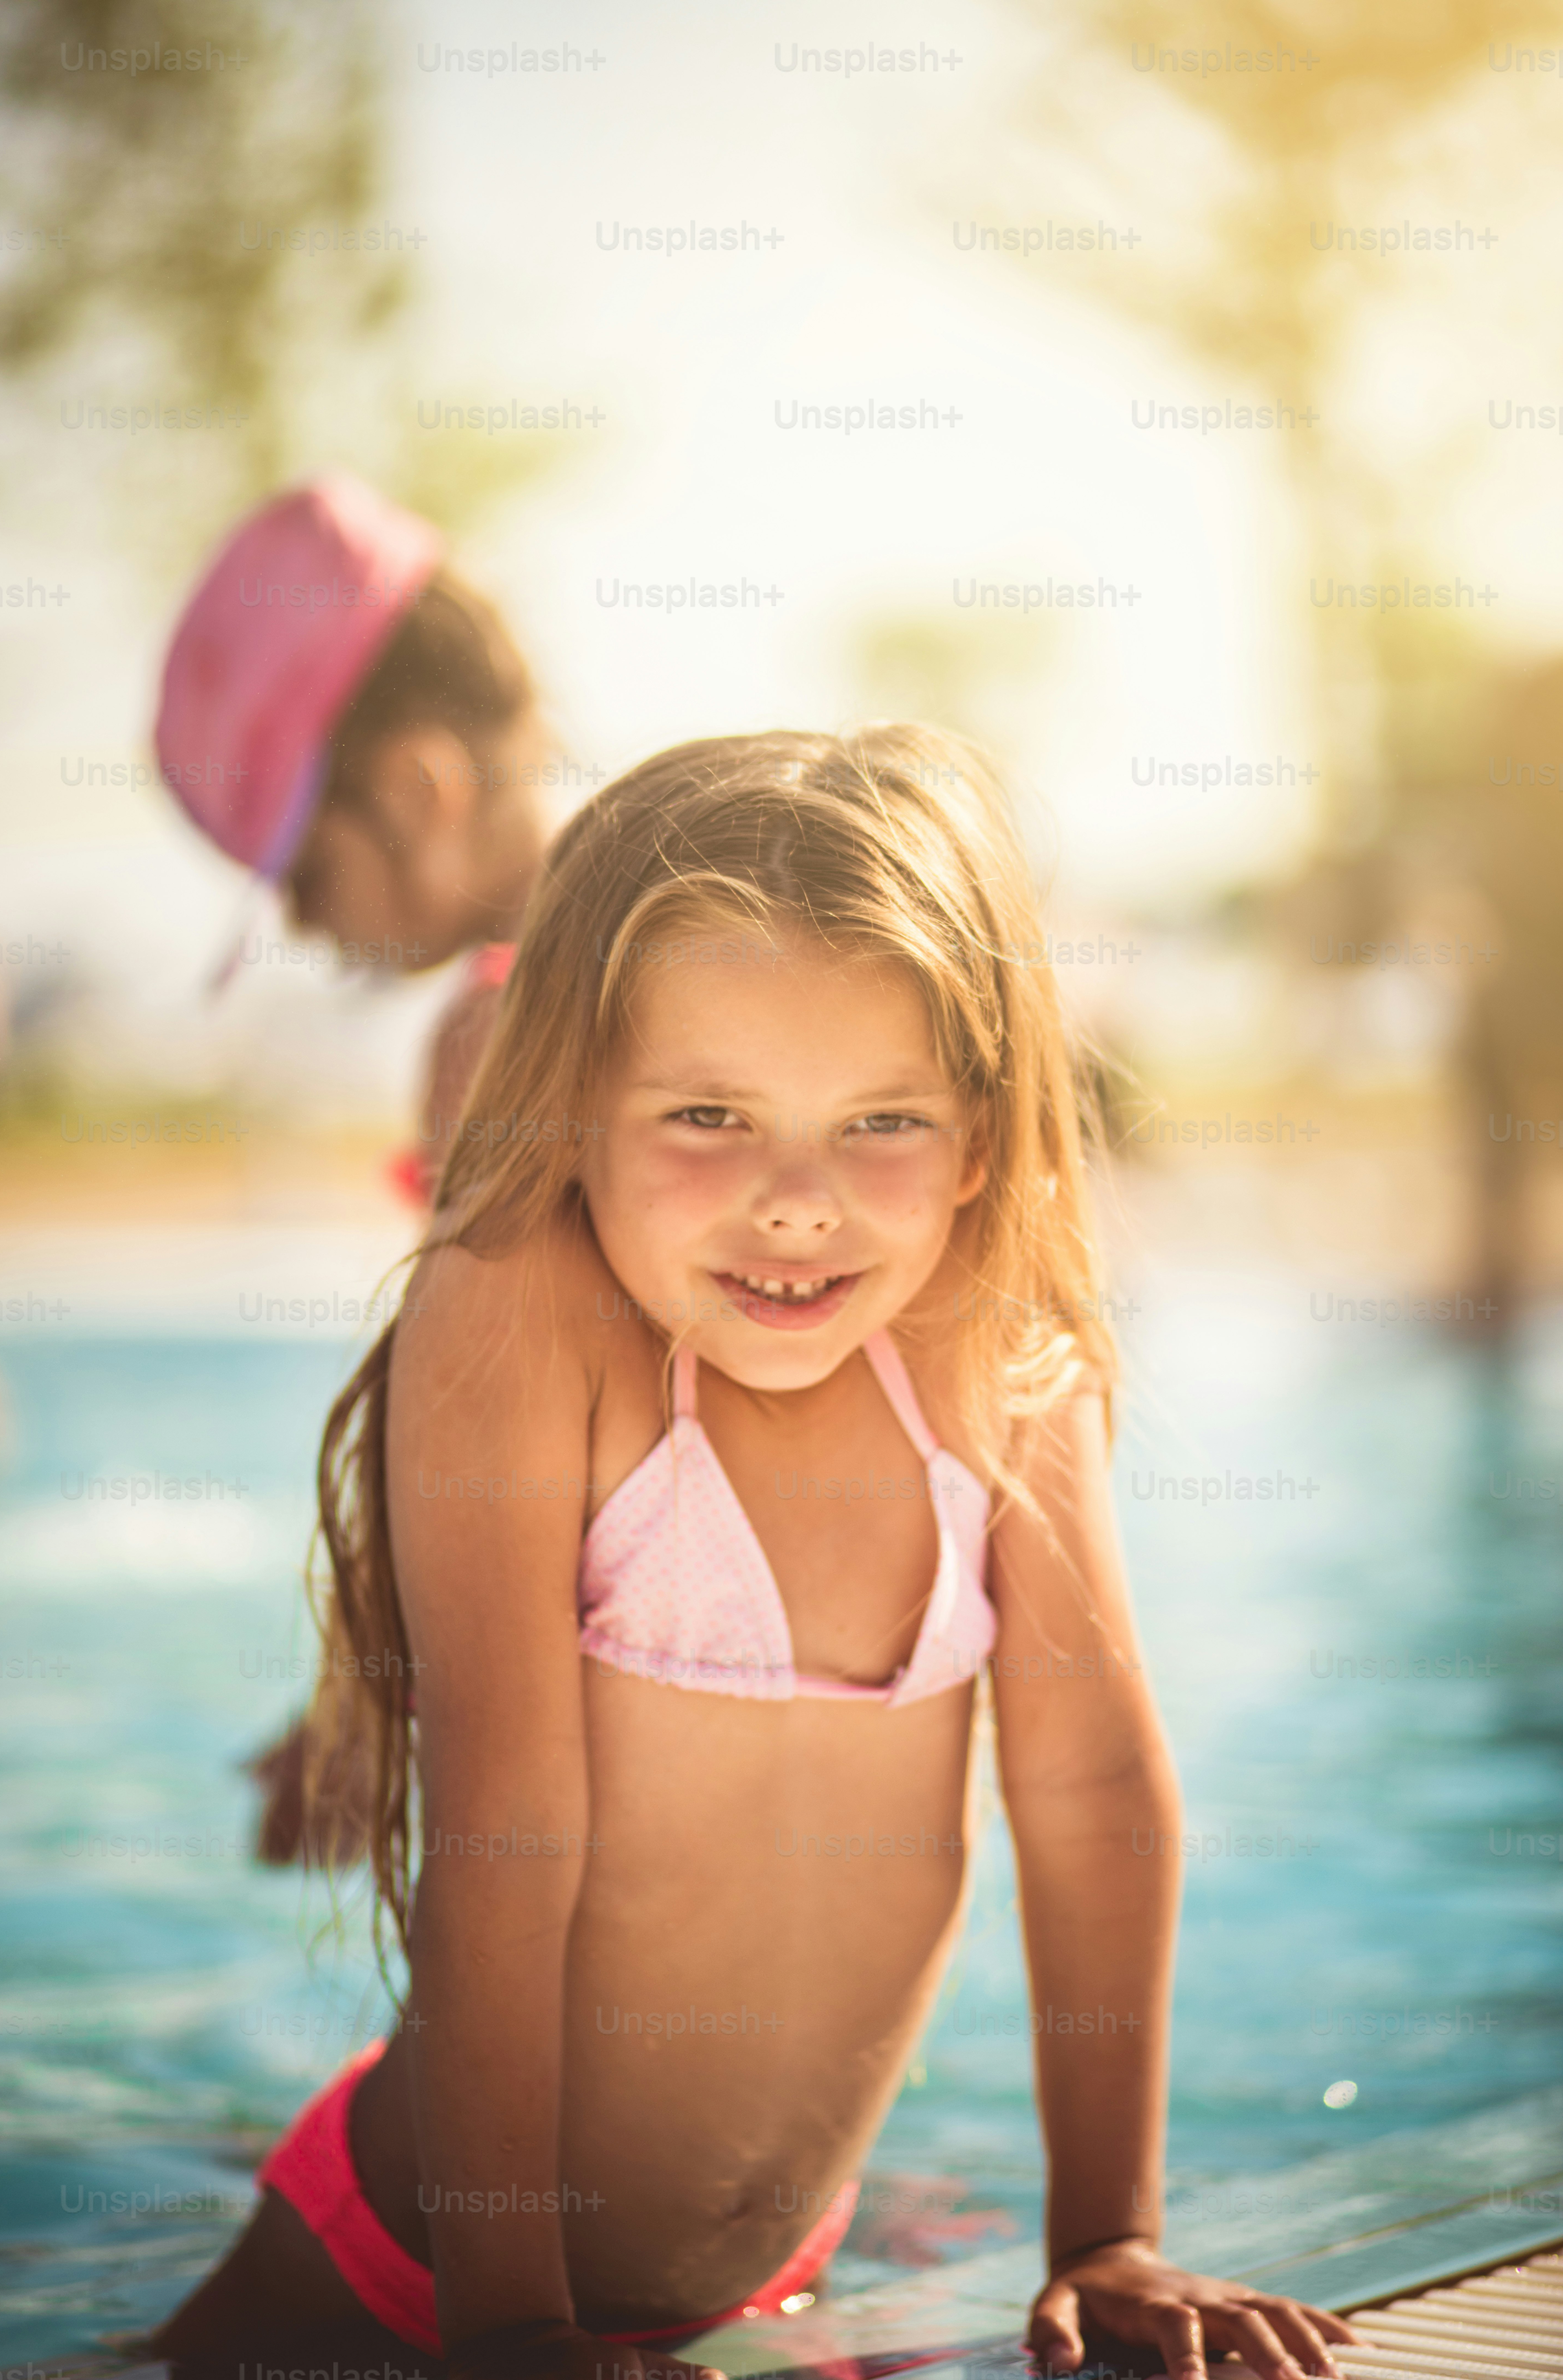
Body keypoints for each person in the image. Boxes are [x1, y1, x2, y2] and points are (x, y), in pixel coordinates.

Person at [148, 728, 1360, 2380]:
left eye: (880, 1122)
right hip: (417, 2265)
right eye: (710, 1115)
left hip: (773, 2271)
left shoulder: (995, 1347)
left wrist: (1107, 2237)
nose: (798, 1204)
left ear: (986, 1131)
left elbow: (1088, 1791)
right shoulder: (524, 1315)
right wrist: (509, 2324)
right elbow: (503, 1828)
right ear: (577, 1104)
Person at [156, 473, 562, 1862]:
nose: (305, 926)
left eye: (302, 872)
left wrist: (364, 1700)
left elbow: (459, 1412)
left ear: (416, 790)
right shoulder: (731, 921)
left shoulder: (499, 1027)